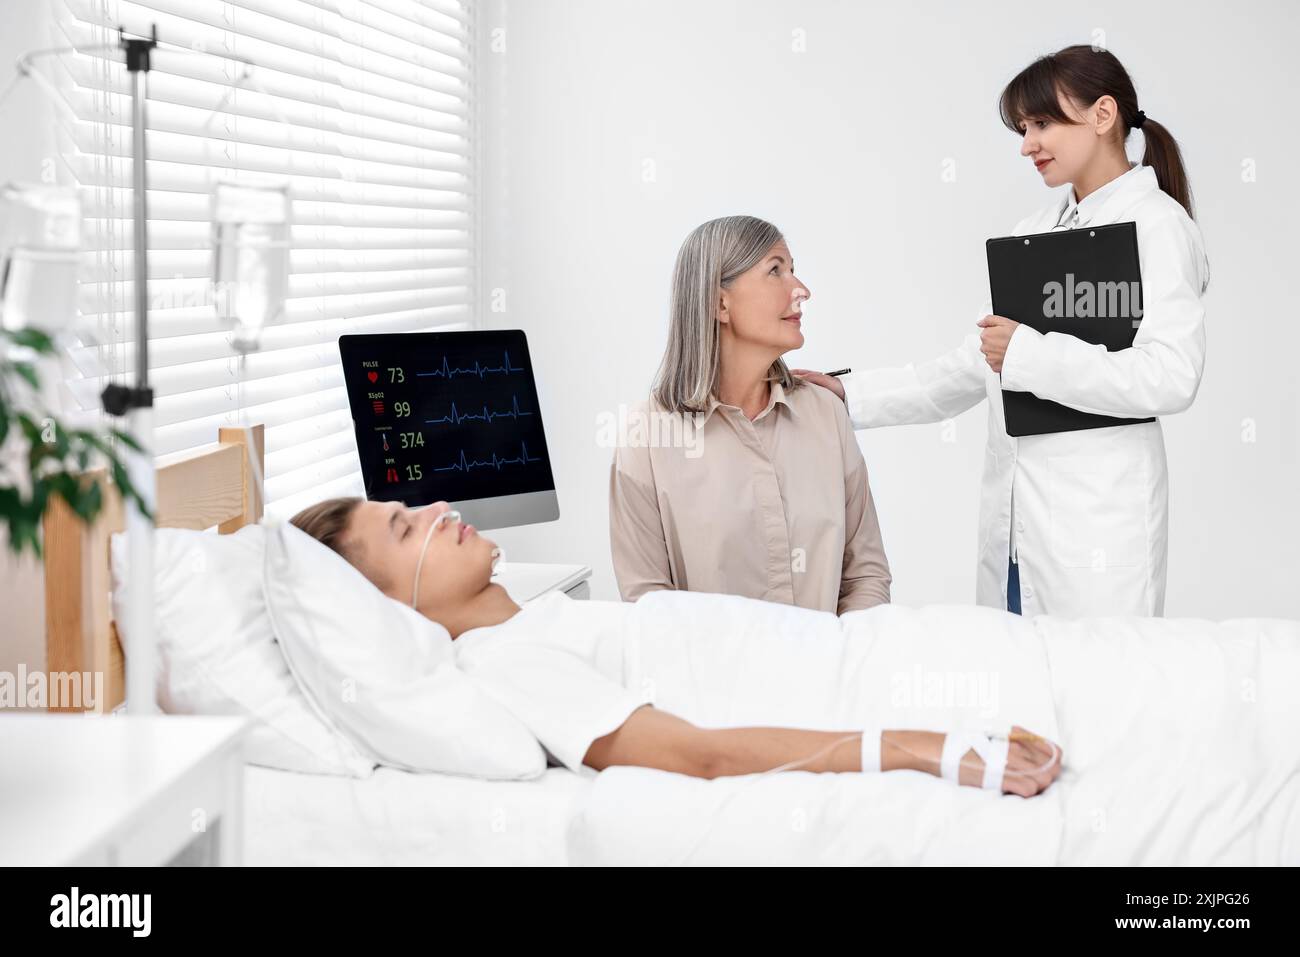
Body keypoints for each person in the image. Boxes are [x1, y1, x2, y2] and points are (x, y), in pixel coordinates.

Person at [795, 45, 1209, 618]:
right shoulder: (1035, 230)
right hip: (1016, 533)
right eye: (1022, 127)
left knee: (1089, 696)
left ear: (1103, 114)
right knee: (1016, 696)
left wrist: (1030, 355)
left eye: (1042, 123)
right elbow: (975, 364)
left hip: (1096, 535)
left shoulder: (1158, 226)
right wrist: (850, 394)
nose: (1026, 144)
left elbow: (1171, 377)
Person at [290, 495, 1062, 796]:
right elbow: (700, 755)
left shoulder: (531, 619)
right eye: (404, 528)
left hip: (869, 650)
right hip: (862, 688)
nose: (435, 508)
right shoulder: (501, 663)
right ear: (388, 605)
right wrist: (919, 745)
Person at [609, 215, 891, 615]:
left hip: (827, 672)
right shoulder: (649, 437)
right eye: (776, 271)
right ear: (719, 302)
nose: (802, 290)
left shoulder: (826, 414)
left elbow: (866, 576)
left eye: (794, 270)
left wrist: (838, 664)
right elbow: (648, 603)